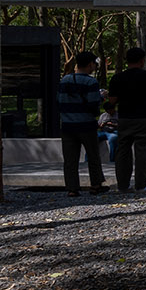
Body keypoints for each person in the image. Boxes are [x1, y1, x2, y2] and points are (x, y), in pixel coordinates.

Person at [109, 46, 146, 193]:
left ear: (126, 60)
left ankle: (123, 185)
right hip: (145, 118)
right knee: (142, 152)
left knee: (123, 151)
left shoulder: (117, 78)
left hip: (125, 118)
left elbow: (112, 100)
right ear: (142, 61)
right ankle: (141, 185)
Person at [56, 50, 107, 197]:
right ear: (90, 64)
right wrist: (101, 97)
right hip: (86, 125)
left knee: (70, 159)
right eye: (94, 65)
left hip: (67, 125)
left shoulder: (64, 80)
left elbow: (58, 100)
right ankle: (96, 185)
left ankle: (72, 188)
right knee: (92, 155)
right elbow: (92, 105)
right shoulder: (91, 82)